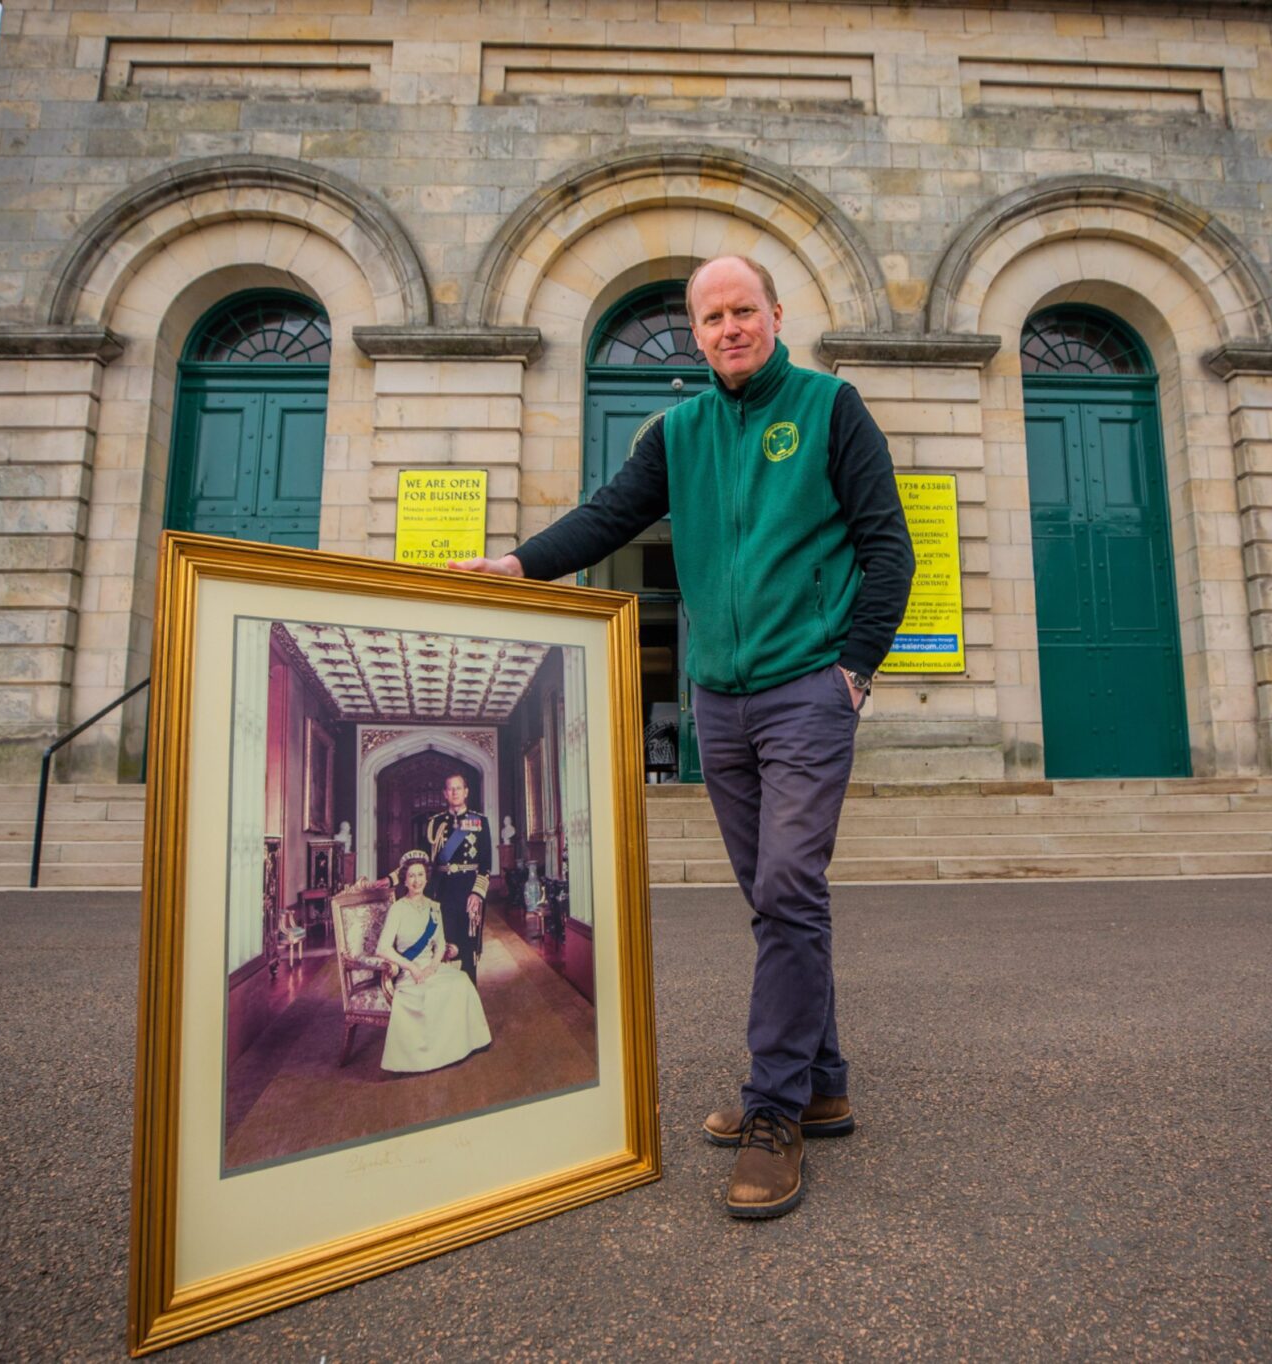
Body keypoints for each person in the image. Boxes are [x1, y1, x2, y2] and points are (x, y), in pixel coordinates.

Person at [451, 254, 915, 1219]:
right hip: (722, 700)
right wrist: (522, 566)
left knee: (788, 887)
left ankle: (774, 1108)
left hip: (807, 690)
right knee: (776, 897)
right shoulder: (680, 431)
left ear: (776, 316)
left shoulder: (832, 409)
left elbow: (888, 547)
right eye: (711, 317)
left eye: (744, 310)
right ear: (695, 333)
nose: (729, 328)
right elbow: (611, 517)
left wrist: (854, 669)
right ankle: (823, 1080)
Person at [376, 850, 492, 1074]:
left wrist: (432, 967)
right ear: (405, 880)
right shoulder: (398, 908)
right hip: (408, 974)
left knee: (461, 982)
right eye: (411, 876)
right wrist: (413, 968)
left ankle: (463, 1045)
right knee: (429, 995)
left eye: (420, 875)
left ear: (427, 878)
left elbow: (440, 944)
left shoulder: (434, 906)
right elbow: (383, 948)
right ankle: (426, 1058)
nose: (416, 880)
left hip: (431, 967)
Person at [422, 774, 492, 983]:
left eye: (458, 788)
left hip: (469, 891)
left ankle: (469, 994)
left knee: (468, 948)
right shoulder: (434, 823)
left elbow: (486, 864)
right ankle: (446, 995)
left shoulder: (479, 822)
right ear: (445, 793)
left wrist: (477, 893)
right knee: (443, 946)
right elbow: (425, 862)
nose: (454, 792)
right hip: (442, 891)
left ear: (466, 792)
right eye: (450, 789)